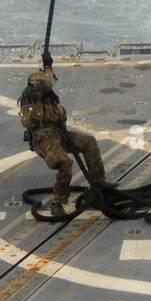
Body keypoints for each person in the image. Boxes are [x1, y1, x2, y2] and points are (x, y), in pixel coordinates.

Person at [18, 56, 106, 219]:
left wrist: (48, 66)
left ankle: (99, 185)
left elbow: (49, 87)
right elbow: (43, 94)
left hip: (58, 134)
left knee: (89, 142)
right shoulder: (29, 99)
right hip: (43, 139)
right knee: (65, 163)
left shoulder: (48, 98)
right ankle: (57, 203)